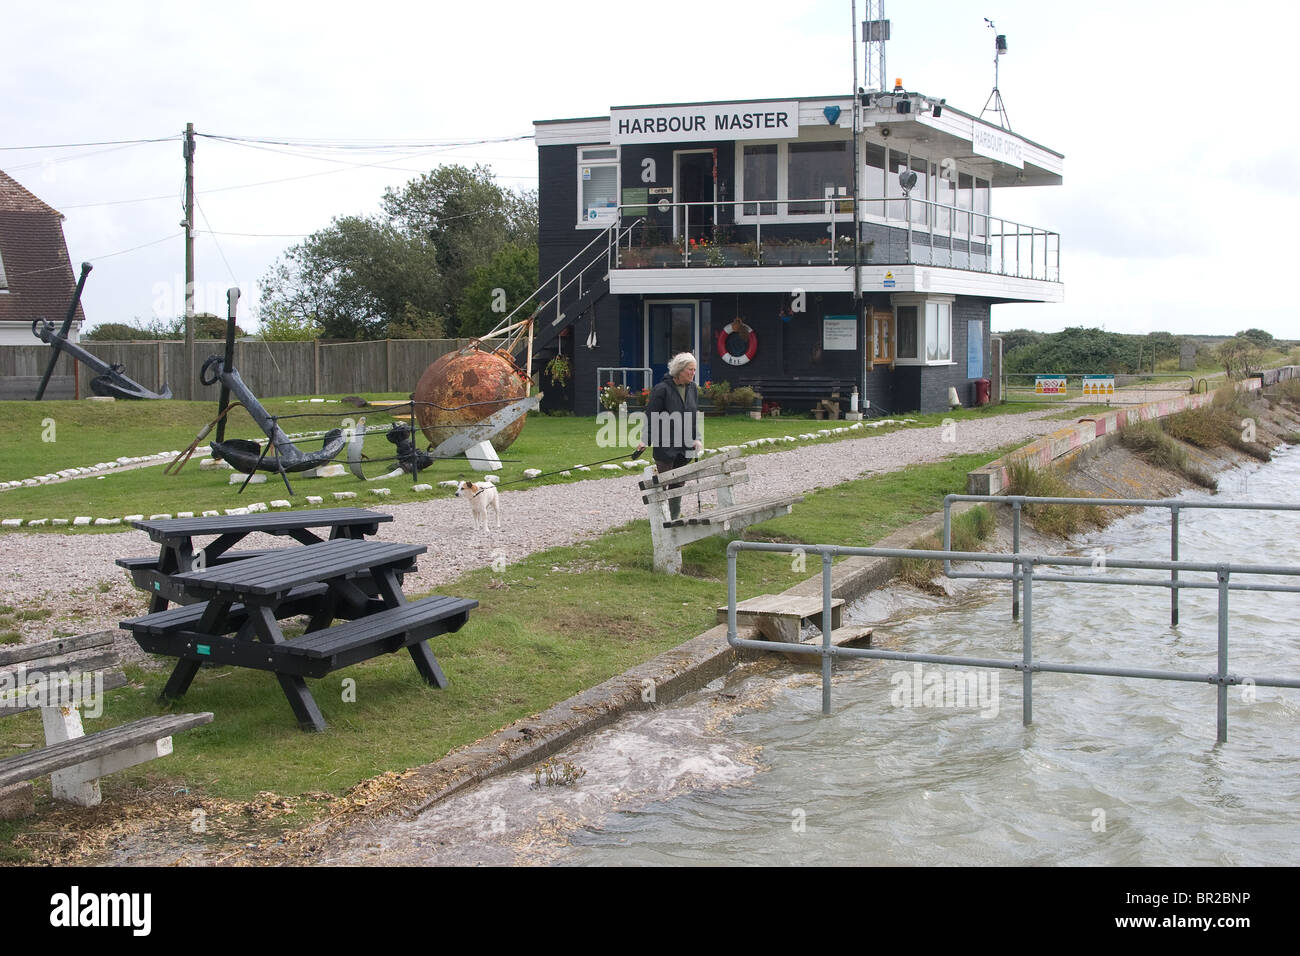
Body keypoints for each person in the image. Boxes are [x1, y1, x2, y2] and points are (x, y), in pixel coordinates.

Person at [636, 352, 703, 520]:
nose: (693, 373)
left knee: (679, 484)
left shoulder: (693, 388)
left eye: (694, 369)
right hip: (665, 444)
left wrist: (697, 438)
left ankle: (673, 519)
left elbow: (693, 416)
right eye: (690, 369)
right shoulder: (662, 389)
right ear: (680, 370)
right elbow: (651, 416)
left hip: (685, 445)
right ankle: (660, 520)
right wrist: (646, 439)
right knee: (663, 483)